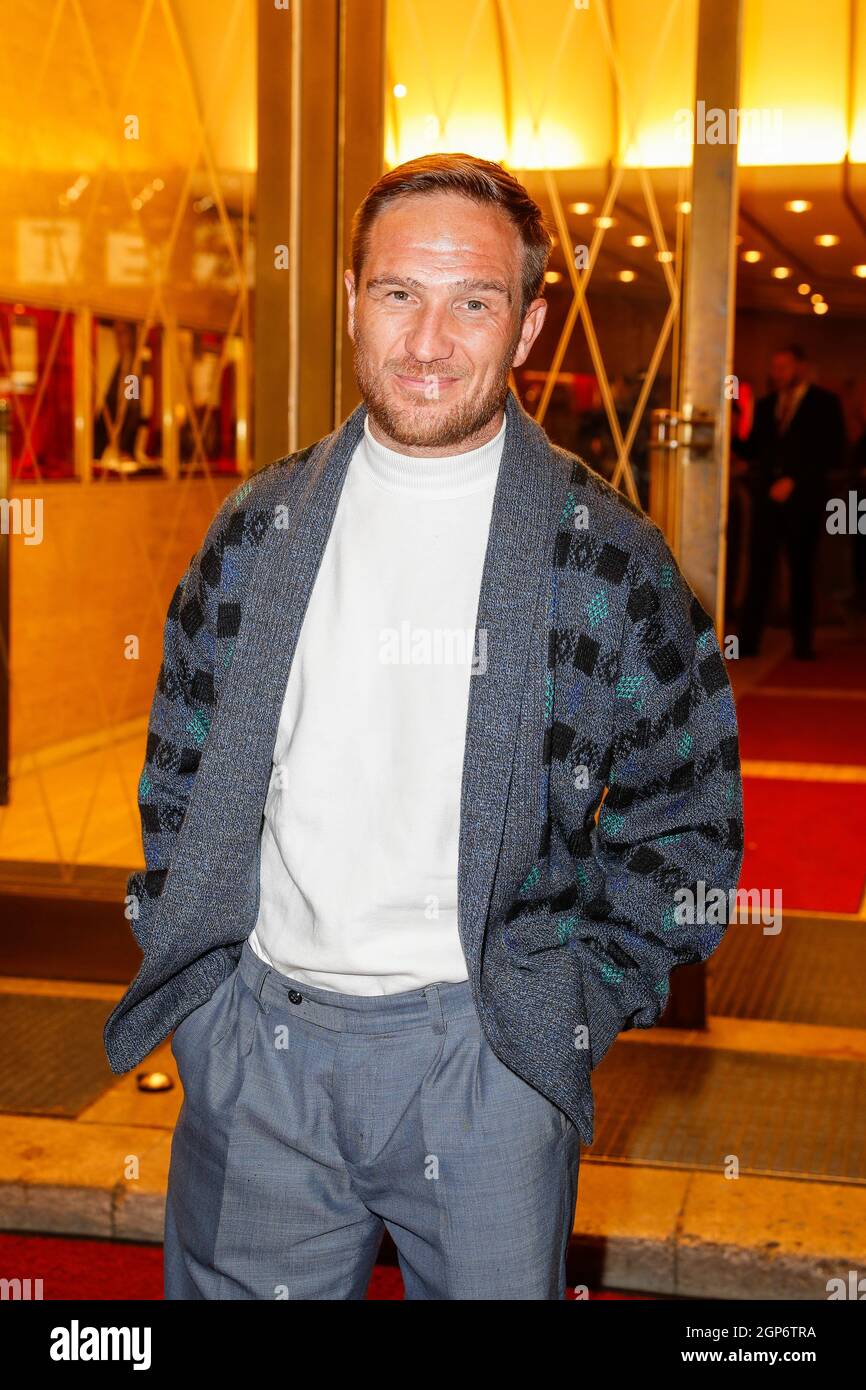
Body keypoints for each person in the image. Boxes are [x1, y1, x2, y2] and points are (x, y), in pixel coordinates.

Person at [104, 153, 744, 1301]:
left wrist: (563, 1011)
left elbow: (686, 818)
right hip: (260, 1052)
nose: (429, 341)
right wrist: (201, 997)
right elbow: (178, 770)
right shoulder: (259, 526)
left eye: (473, 302)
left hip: (482, 1061)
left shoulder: (602, 555)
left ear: (529, 323)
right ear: (351, 297)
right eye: (398, 293)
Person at [733, 344, 846, 659]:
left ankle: (802, 643)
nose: (777, 373)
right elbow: (754, 449)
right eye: (774, 367)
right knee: (759, 571)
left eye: (784, 367)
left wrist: (795, 479)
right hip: (767, 498)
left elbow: (831, 450)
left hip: (802, 501)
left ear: (800, 367)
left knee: (801, 570)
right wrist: (733, 431)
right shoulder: (767, 405)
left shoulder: (824, 404)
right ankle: (748, 642)